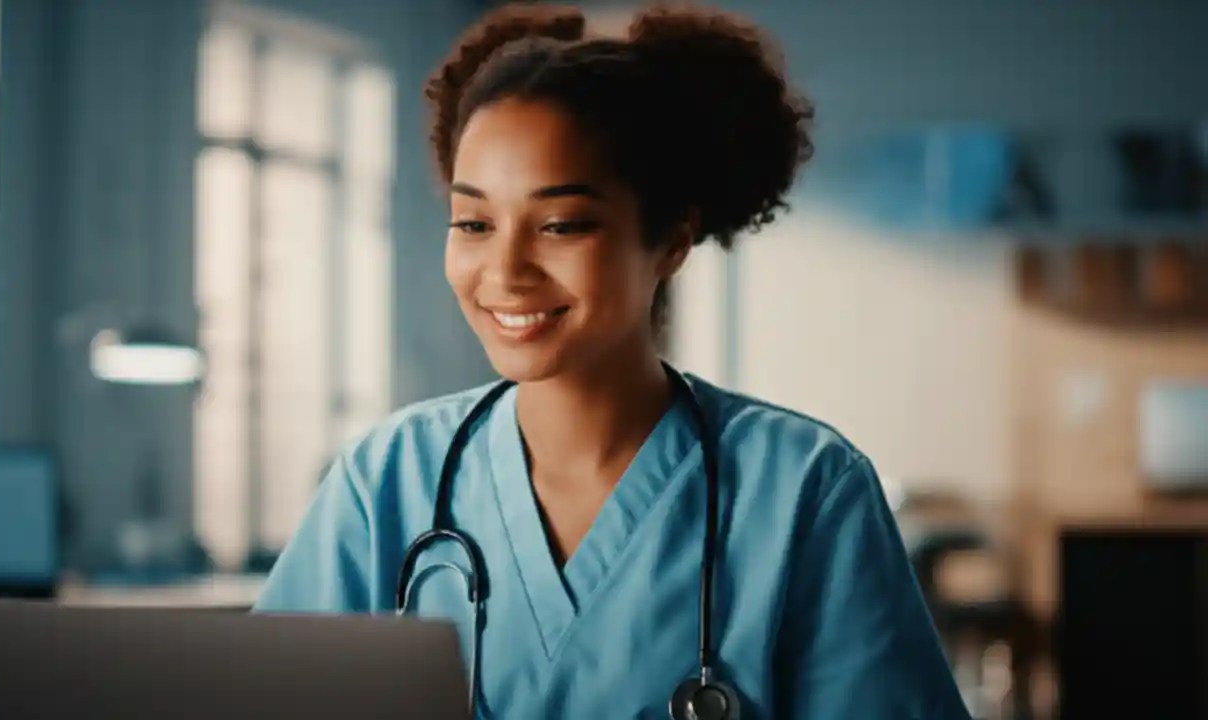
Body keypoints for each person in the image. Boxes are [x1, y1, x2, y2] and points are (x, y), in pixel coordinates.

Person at [254, 3, 970, 718]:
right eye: (474, 223)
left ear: (670, 241)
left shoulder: (804, 490)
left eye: (561, 225)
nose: (505, 270)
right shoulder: (386, 480)